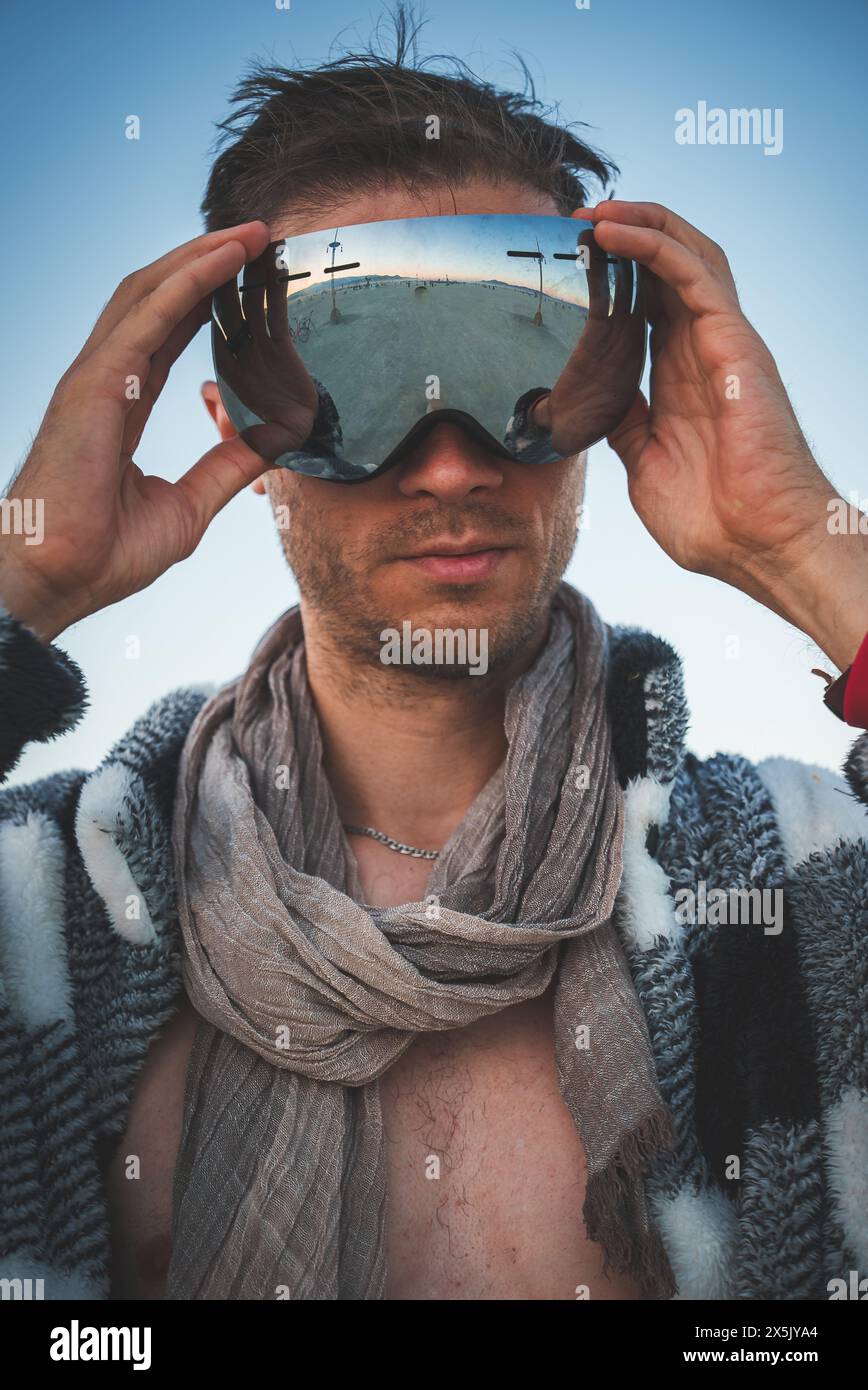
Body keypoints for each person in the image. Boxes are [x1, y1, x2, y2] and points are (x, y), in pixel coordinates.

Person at [1, 14, 867, 1304]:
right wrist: (27, 578)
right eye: (351, 390)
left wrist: (809, 552)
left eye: (523, 372)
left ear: (612, 398)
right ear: (242, 418)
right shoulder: (48, 915)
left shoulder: (808, 895)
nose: (453, 462)